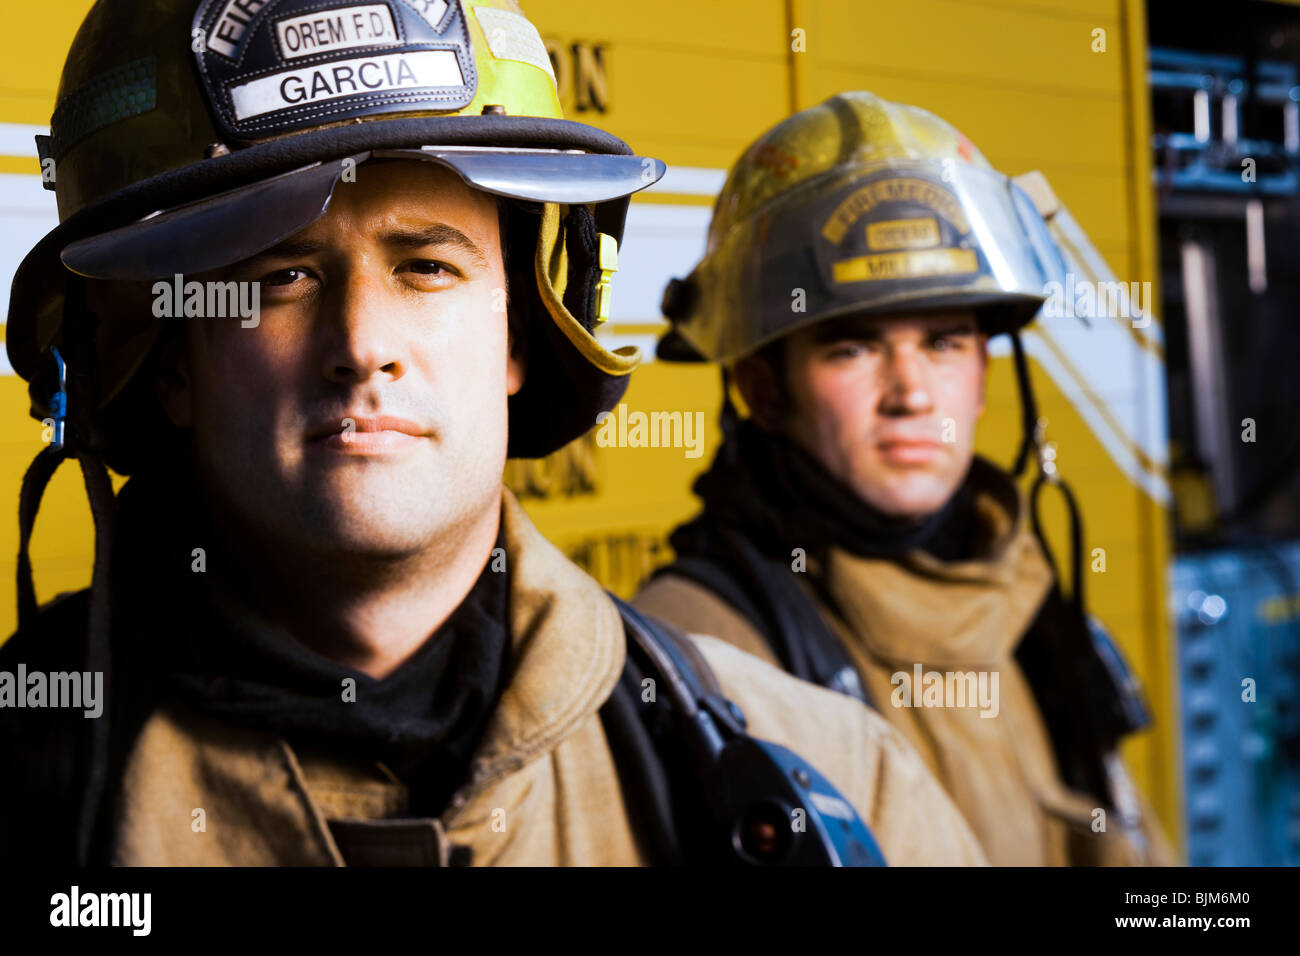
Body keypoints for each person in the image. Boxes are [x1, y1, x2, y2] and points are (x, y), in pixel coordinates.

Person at [0, 2, 985, 867]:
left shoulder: (835, 782)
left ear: (523, 332)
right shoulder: (29, 770)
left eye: (426, 266)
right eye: (280, 278)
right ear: (171, 361)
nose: (363, 345)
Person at [636, 91, 1176, 866]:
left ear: (985, 378)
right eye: (852, 349)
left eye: (945, 342)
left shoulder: (1030, 605)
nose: (912, 393)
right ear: (762, 389)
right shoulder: (702, 652)